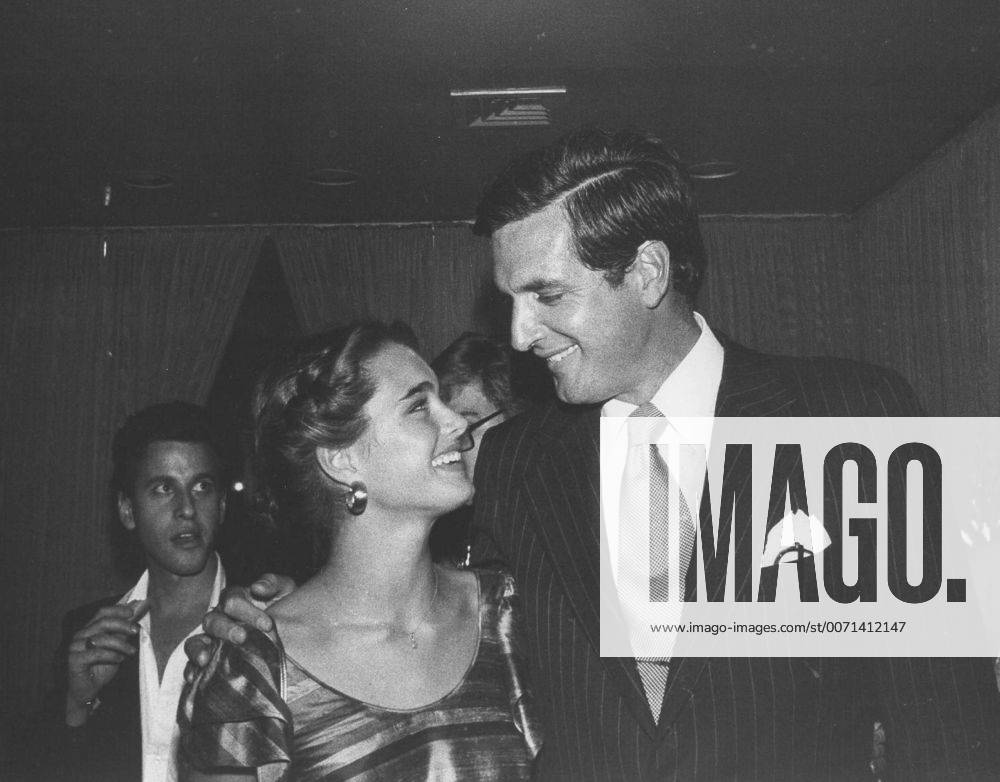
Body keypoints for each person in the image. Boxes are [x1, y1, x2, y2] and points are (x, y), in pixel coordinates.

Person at [192, 129, 1000, 779]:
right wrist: (281, 612)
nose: (517, 335)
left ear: (646, 272)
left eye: (546, 295)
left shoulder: (857, 413)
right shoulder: (513, 460)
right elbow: (438, 626)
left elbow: (950, 728)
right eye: (510, 300)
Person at [178, 322, 541, 781]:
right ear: (341, 458)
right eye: (418, 407)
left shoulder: (510, 613)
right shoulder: (253, 674)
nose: (455, 422)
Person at [47, 401, 230, 782]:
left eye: (202, 487)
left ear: (223, 505)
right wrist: (79, 702)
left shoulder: (262, 625)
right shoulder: (89, 634)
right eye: (163, 488)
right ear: (128, 511)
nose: (187, 509)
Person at [429, 332, 525, 565]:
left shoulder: (539, 526)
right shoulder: (438, 529)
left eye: (468, 426)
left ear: (517, 422)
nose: (448, 444)